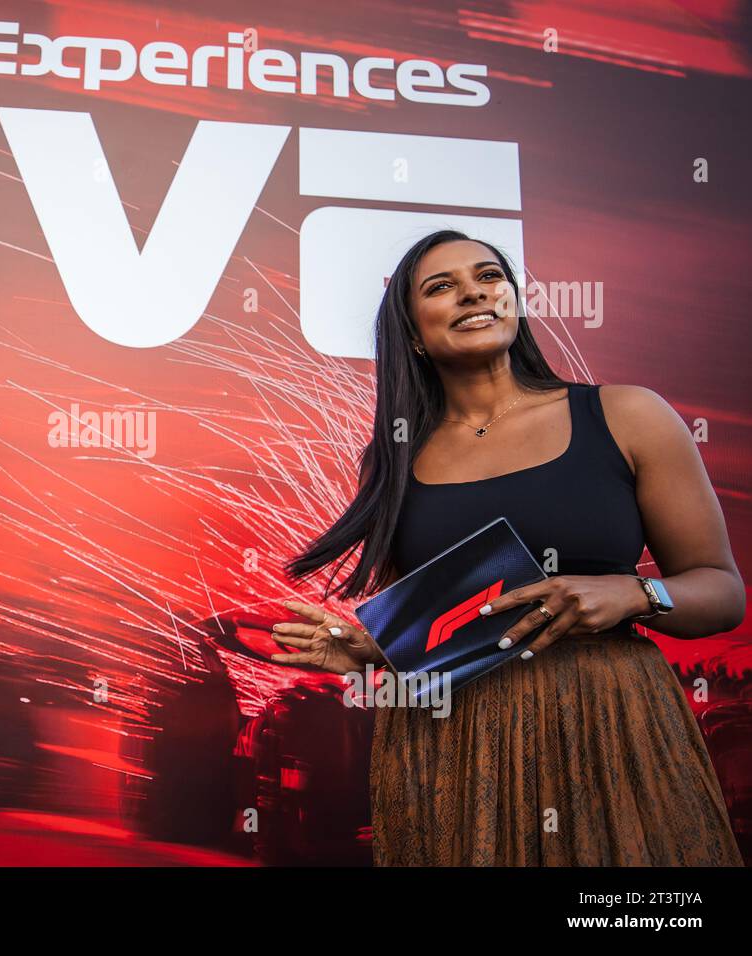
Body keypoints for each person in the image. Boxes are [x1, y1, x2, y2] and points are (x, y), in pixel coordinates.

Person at [271, 229, 744, 866]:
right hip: (455, 742)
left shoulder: (627, 415)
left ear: (513, 302)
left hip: (606, 719)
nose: (473, 291)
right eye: (441, 287)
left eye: (489, 276)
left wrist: (636, 592)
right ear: (412, 331)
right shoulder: (393, 461)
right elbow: (451, 627)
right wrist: (378, 653)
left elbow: (721, 592)